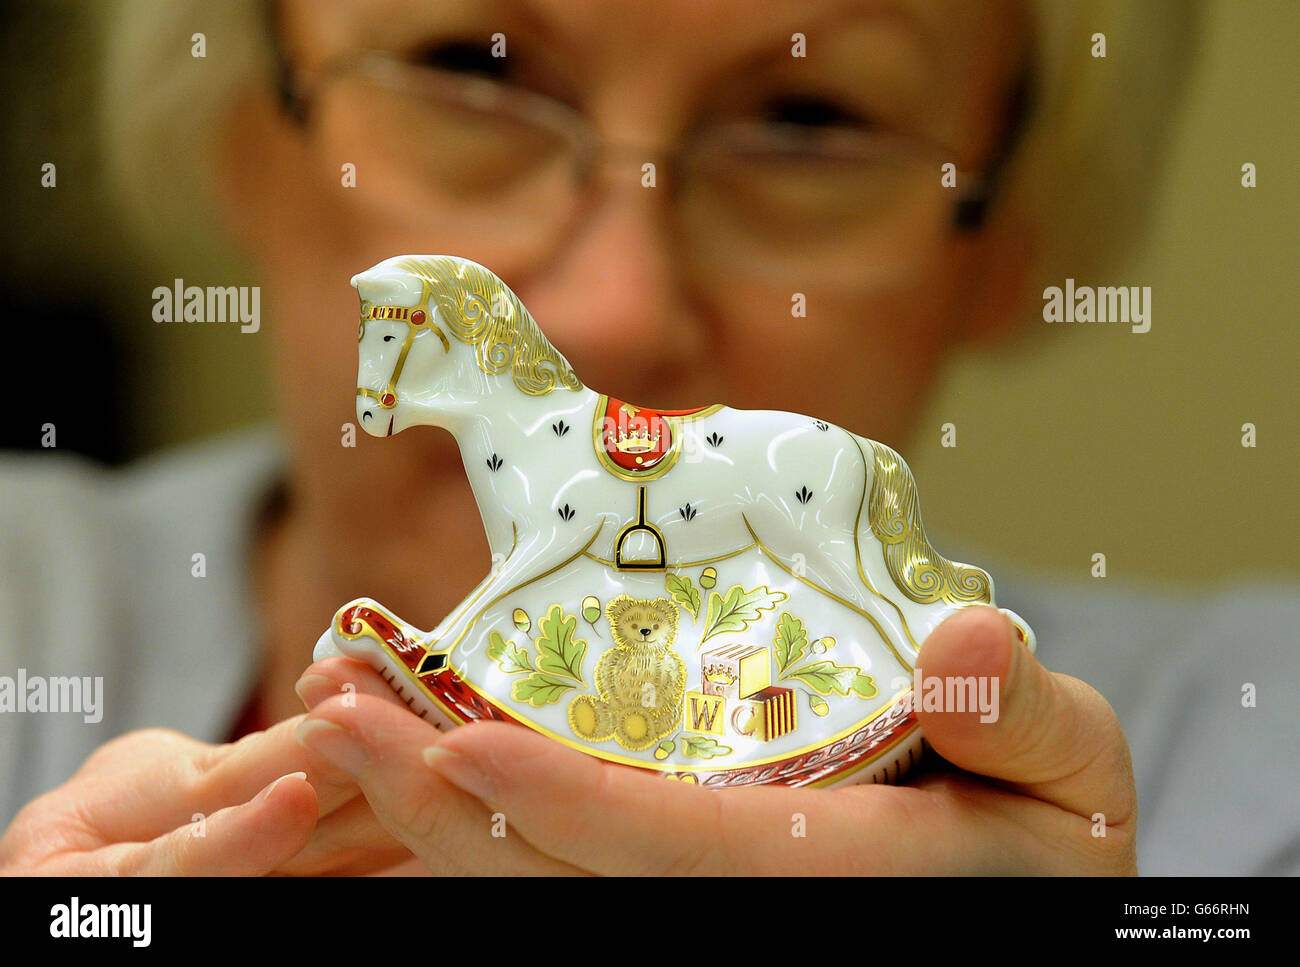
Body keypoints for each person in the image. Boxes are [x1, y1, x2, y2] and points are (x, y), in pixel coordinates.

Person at [1, 0, 1295, 875]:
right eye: (475, 69)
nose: (607, 314)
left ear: (1011, 242)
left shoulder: (1262, 759)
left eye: (810, 122)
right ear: (242, 130)